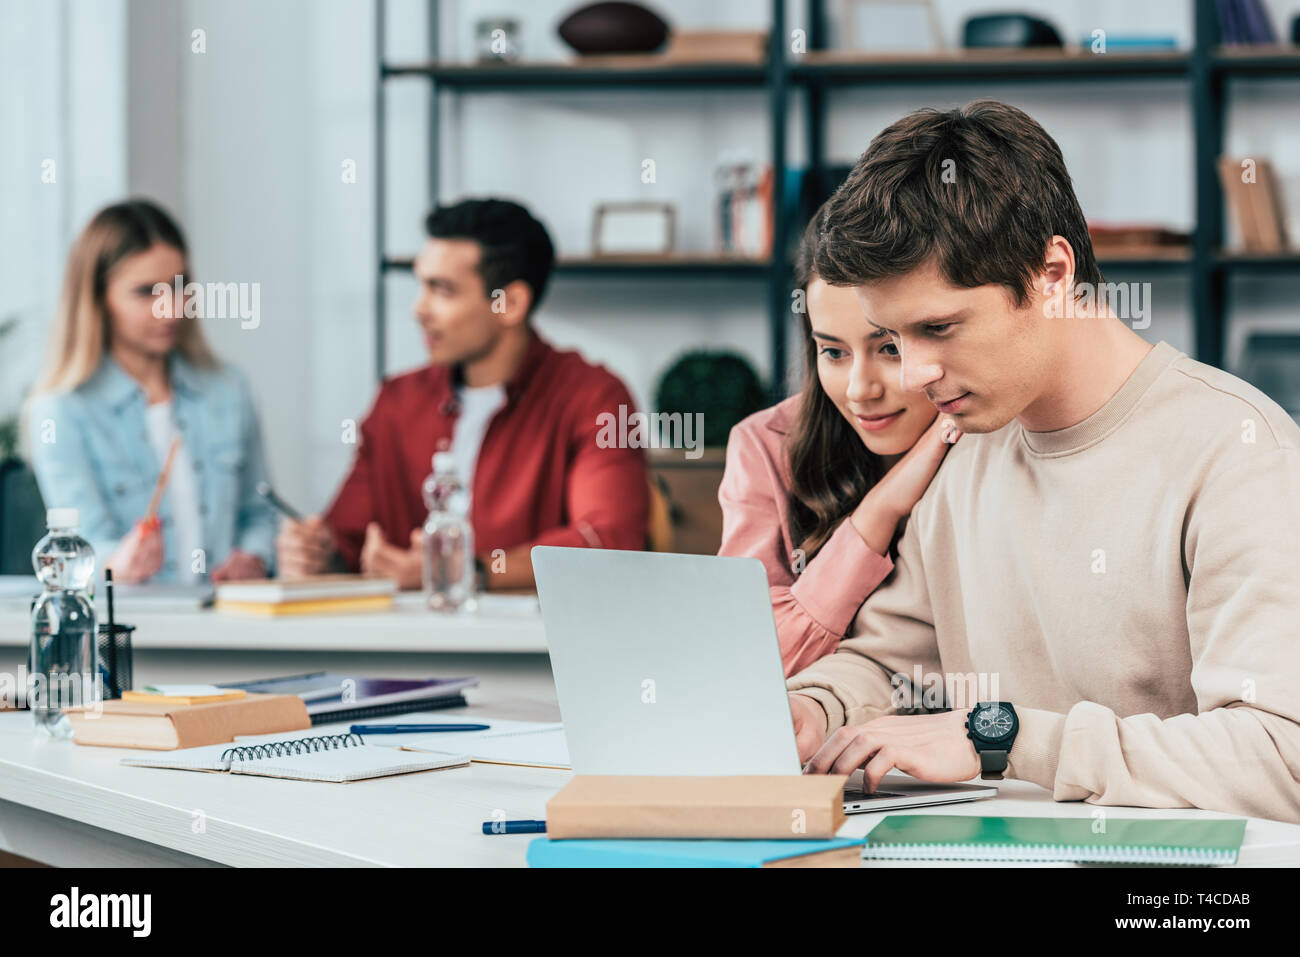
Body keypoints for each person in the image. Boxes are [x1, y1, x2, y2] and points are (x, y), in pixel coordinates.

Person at [787, 100, 1300, 824]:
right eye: (897, 336)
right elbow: (893, 662)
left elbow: (1282, 758)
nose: (912, 376)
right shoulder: (967, 443)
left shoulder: (1239, 454)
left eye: (939, 327)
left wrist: (1005, 737)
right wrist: (815, 706)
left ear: (1052, 274)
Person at [276, 198, 649, 590]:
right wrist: (318, 554)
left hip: (533, 646)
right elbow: (349, 541)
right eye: (421, 285)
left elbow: (609, 541)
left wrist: (465, 571)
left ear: (511, 304)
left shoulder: (594, 397)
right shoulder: (396, 401)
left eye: (442, 290)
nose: (418, 310)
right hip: (405, 644)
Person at [718, 205, 959, 676]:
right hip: (812, 741)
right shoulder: (765, 446)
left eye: (889, 349)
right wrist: (879, 510)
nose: (859, 389)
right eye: (833, 352)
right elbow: (746, 661)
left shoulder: (989, 437)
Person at [26, 199, 276, 584]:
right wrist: (115, 564)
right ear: (97, 299)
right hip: (132, 631)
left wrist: (255, 557)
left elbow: (260, 514)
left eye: (178, 287)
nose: (170, 309)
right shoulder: (61, 411)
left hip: (230, 627)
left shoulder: (229, 390)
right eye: (146, 292)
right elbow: (81, 544)